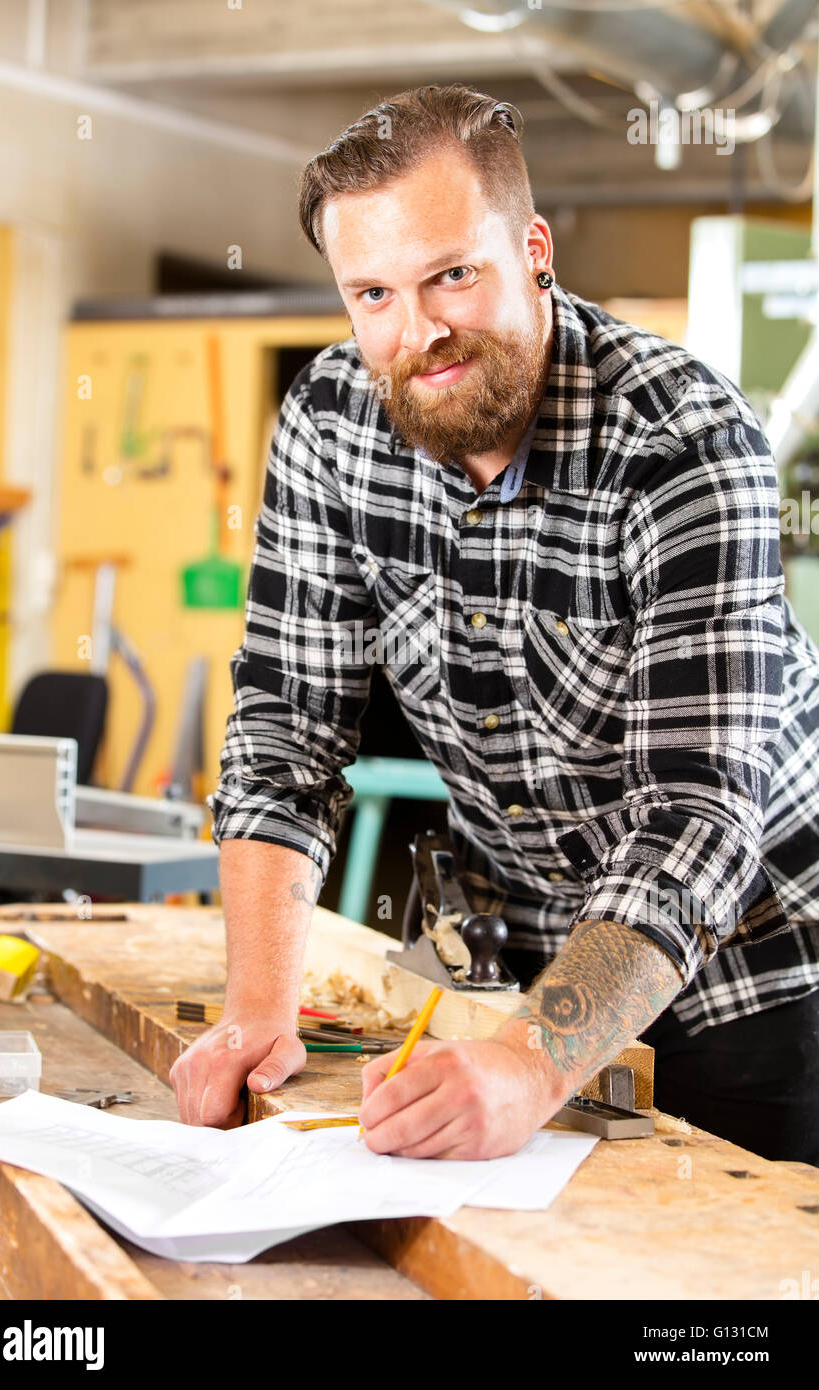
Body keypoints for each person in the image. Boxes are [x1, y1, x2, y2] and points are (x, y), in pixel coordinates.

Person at [170, 84, 819, 1166]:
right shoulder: (331, 425)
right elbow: (284, 733)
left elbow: (693, 818)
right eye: (371, 294)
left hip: (763, 979)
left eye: (451, 276)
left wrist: (527, 1064)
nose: (418, 332)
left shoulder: (682, 440)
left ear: (532, 247)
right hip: (541, 966)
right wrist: (255, 1008)